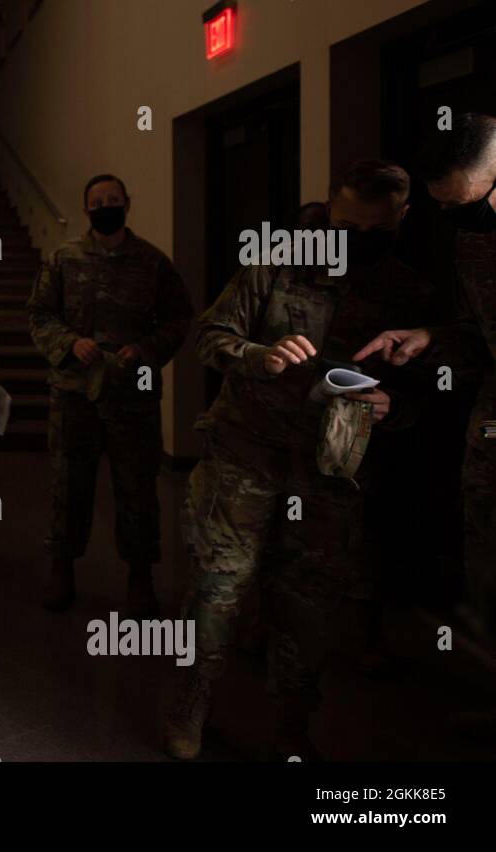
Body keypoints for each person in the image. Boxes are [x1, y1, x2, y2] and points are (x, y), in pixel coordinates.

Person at [166, 159, 436, 761]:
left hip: (328, 475)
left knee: (309, 609)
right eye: (346, 228)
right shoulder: (277, 261)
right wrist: (259, 354)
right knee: (216, 591)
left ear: (403, 219)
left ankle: (292, 725)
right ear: (328, 212)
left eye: (376, 232)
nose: (357, 244)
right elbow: (210, 336)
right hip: (245, 456)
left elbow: (430, 391)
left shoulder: (408, 291)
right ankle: (191, 704)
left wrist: (398, 404)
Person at [356, 113, 496, 681]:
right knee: (487, 569)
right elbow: (478, 334)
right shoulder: (473, 238)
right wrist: (430, 339)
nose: (453, 218)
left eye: (462, 206)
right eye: (443, 207)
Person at [26, 174, 194, 617]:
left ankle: (141, 577)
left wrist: (145, 349)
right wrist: (67, 343)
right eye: (97, 202)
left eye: (113, 200)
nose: (106, 206)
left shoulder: (153, 263)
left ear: (127, 205)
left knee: (138, 488)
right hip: (74, 394)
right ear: (86, 210)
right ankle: (62, 568)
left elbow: (179, 319)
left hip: (132, 395)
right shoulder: (63, 259)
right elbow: (40, 315)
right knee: (69, 486)